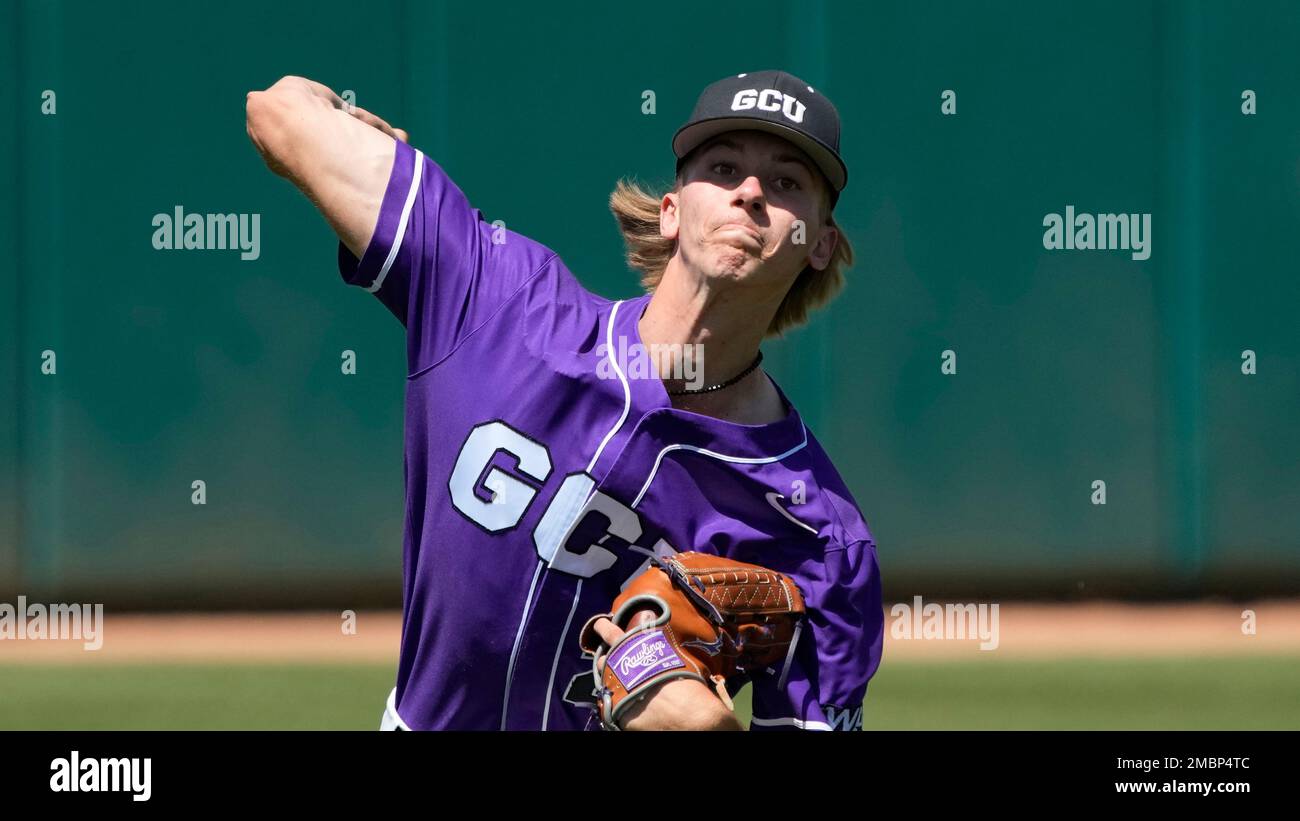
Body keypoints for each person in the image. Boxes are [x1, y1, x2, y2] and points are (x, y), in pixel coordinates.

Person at [245, 69, 883, 731]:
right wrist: (361, 132)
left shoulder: (819, 536)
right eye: (723, 168)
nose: (749, 192)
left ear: (821, 245)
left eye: (787, 183)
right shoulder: (499, 303)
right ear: (671, 211)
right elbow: (277, 109)